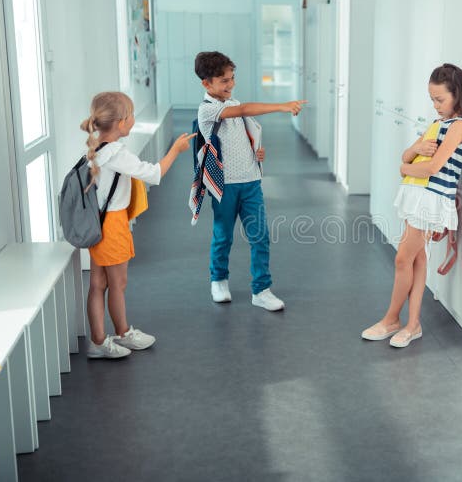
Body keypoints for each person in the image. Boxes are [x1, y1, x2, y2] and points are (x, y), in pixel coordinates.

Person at [361, 63, 462, 348]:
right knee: (417, 258)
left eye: (440, 99)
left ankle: (391, 319)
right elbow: (407, 155)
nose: (436, 105)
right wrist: (414, 151)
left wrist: (405, 168)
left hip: (430, 199)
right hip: (417, 195)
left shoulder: (459, 126)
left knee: (403, 259)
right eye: (432, 99)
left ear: (457, 95)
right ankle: (413, 324)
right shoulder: (437, 124)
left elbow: (432, 168)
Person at [82, 91, 194, 358]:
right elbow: (153, 174)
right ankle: (123, 333)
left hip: (98, 221)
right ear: (121, 122)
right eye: (131, 114)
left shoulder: (97, 148)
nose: (133, 119)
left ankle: (98, 341)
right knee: (117, 283)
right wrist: (175, 150)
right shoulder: (116, 153)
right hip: (112, 224)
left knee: (98, 283)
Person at [194, 51, 305, 309]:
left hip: (251, 182)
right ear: (206, 84)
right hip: (224, 186)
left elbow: (245, 133)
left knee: (260, 236)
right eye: (224, 80)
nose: (231, 84)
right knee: (223, 236)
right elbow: (243, 110)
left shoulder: (233, 102)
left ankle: (261, 290)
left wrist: (256, 151)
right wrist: (282, 106)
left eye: (232, 78)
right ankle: (218, 280)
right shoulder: (208, 110)